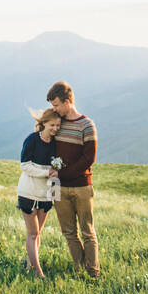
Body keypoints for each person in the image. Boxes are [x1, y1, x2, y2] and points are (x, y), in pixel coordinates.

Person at [47, 81, 100, 278]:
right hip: (59, 189)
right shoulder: (57, 124)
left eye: (57, 105)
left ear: (68, 101)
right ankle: (80, 272)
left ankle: (93, 274)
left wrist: (62, 175)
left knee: (87, 232)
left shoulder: (87, 125)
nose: (54, 109)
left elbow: (89, 159)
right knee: (69, 233)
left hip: (81, 187)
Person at [17, 107, 62, 280]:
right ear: (43, 123)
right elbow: (25, 165)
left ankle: (30, 265)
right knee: (33, 233)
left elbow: (56, 172)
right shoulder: (32, 140)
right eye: (52, 125)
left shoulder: (56, 144)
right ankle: (38, 272)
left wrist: (55, 196)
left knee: (38, 233)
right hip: (29, 193)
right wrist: (46, 172)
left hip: (47, 195)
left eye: (58, 125)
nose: (55, 129)